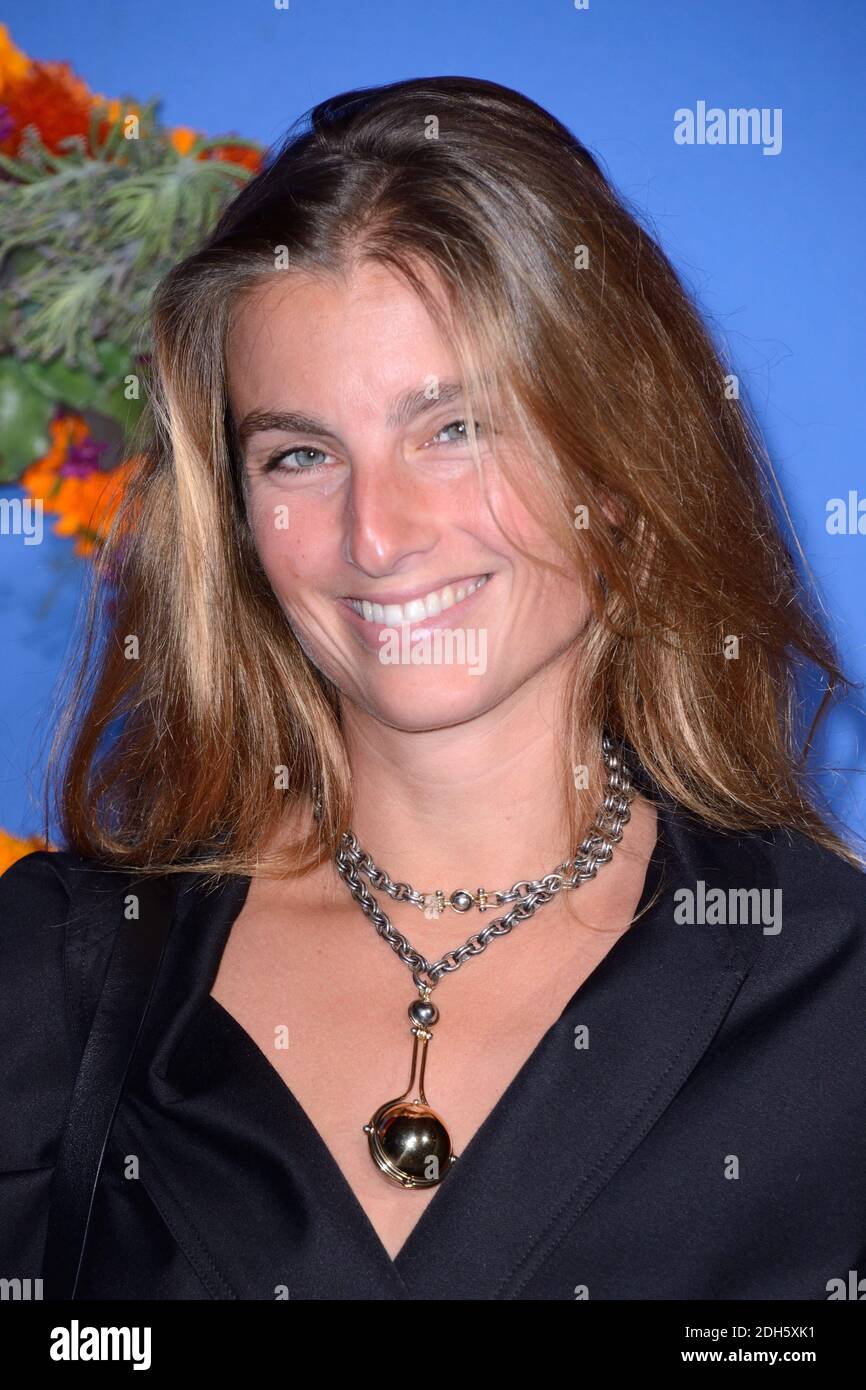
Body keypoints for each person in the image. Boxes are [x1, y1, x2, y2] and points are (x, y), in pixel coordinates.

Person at [1, 76, 864, 1302]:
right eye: (299, 454)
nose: (376, 534)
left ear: (617, 459)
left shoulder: (832, 993)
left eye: (452, 427)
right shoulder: (57, 976)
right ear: (236, 517)